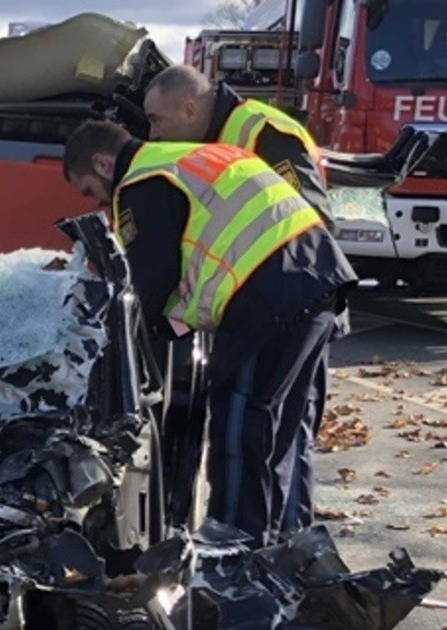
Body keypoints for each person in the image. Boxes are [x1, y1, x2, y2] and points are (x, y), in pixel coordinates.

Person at [62, 120, 357, 548]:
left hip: (268, 295)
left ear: (103, 164)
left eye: (90, 190)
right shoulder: (196, 156)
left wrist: (140, 336)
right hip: (318, 281)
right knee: (277, 432)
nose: (99, 205)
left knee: (240, 418)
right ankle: (275, 547)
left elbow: (151, 285)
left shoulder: (142, 182)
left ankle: (232, 542)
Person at [142, 65, 333, 228]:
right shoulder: (214, 139)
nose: (153, 135)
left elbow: (312, 222)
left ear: (190, 111)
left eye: (156, 120)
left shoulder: (263, 133)